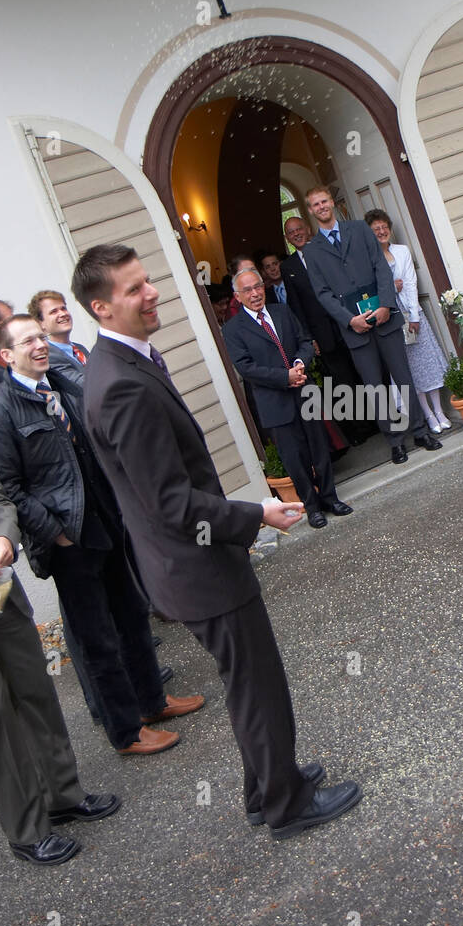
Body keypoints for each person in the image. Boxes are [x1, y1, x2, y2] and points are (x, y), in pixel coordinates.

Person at [72, 243, 362, 840]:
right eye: (134, 289)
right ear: (101, 308)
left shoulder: (127, 363)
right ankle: (287, 805)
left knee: (245, 679)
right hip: (197, 566)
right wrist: (255, 514)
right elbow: (171, 502)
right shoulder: (119, 385)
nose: (151, 293)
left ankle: (265, 785)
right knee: (258, 682)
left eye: (148, 281)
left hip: (192, 563)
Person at [0, 333, 119, 866]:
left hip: (2, 594)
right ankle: (27, 830)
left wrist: (6, 536)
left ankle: (65, 797)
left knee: (36, 694)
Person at [0, 314, 204, 755]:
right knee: (98, 638)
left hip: (107, 521)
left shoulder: (63, 384)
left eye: (41, 338)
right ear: (6, 355)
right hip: (69, 542)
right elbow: (6, 489)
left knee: (133, 616)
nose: (40, 346)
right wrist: (57, 533)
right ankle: (126, 731)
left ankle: (153, 702)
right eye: (28, 342)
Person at [303, 186, 442, 465]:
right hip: (355, 329)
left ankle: (420, 431)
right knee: (375, 387)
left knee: (403, 377)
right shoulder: (313, 251)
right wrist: (348, 319)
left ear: (332, 202)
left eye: (324, 201)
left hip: (385, 318)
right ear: (310, 210)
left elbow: (380, 266)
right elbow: (322, 294)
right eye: (315, 204)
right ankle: (394, 442)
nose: (321, 207)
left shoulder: (359, 229)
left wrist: (385, 305)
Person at [223, 268, 352, 528]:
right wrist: (285, 377)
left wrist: (299, 364)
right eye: (247, 290)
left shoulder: (281, 311)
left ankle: (330, 498)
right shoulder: (233, 329)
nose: (255, 293)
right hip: (275, 401)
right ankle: (312, 506)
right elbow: (246, 368)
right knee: (294, 458)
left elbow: (305, 341)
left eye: (258, 286)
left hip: (304, 390)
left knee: (319, 448)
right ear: (237, 296)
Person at [280, 214, 375, 447]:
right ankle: (361, 427)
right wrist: (308, 338)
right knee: (342, 382)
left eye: (299, 229)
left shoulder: (325, 248)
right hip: (321, 333)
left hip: (348, 321)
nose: (297, 234)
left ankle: (380, 419)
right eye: (291, 232)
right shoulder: (288, 266)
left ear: (307, 229)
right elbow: (295, 305)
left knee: (364, 369)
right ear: (287, 238)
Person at [365, 209, 451, 434]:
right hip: (391, 316)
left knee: (427, 363)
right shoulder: (369, 259)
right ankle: (427, 414)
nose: (382, 232)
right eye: (376, 229)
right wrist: (392, 287)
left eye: (385, 227)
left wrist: (414, 315)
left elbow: (411, 282)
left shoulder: (402, 251)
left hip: (411, 312)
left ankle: (440, 411)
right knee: (409, 368)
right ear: (369, 233)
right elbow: (373, 290)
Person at [27, 289, 89, 397]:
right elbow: (84, 384)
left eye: (63, 308)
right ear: (40, 324)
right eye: (54, 311)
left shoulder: (80, 348)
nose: (63, 314)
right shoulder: (48, 356)